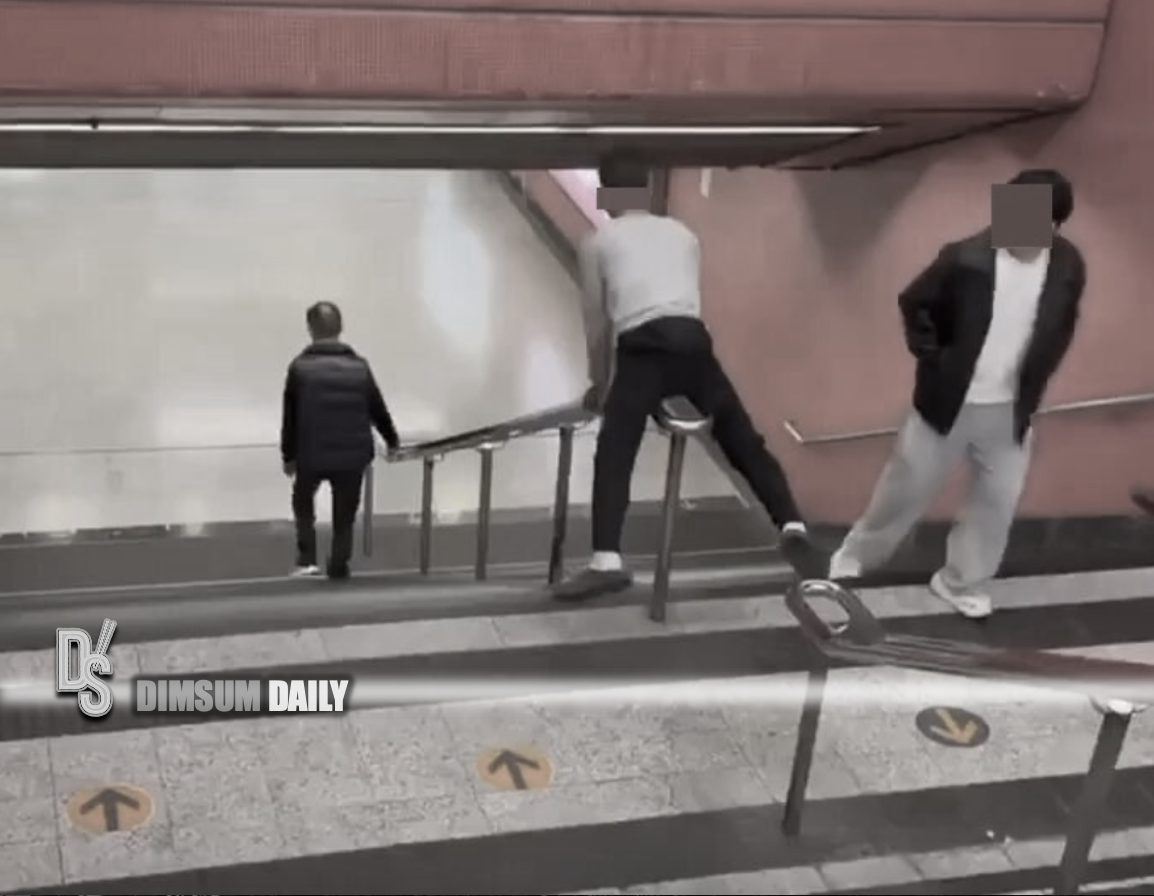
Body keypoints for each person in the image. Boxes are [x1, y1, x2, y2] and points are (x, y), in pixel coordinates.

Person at [552, 152, 825, 600]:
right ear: (646, 189)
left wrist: (600, 382)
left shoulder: (598, 242)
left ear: (606, 194)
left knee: (616, 449)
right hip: (694, 342)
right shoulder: (684, 234)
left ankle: (607, 560)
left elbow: (597, 324)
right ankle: (791, 522)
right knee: (742, 437)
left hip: (642, 346)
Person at [828, 169, 1086, 618]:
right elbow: (915, 301)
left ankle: (959, 581)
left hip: (1009, 411)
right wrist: (935, 358)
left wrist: (1037, 378)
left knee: (997, 502)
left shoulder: (1067, 266)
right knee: (904, 490)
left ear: (1053, 225)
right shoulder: (967, 259)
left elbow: (1063, 323)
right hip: (947, 404)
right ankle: (856, 554)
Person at [280, 301, 400, 580]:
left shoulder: (299, 368)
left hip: (312, 453)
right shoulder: (359, 367)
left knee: (302, 502)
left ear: (310, 329)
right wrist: (392, 440)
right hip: (353, 453)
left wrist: (289, 456)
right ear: (340, 327)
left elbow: (290, 418)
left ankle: (307, 559)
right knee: (344, 513)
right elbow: (377, 408)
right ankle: (338, 564)